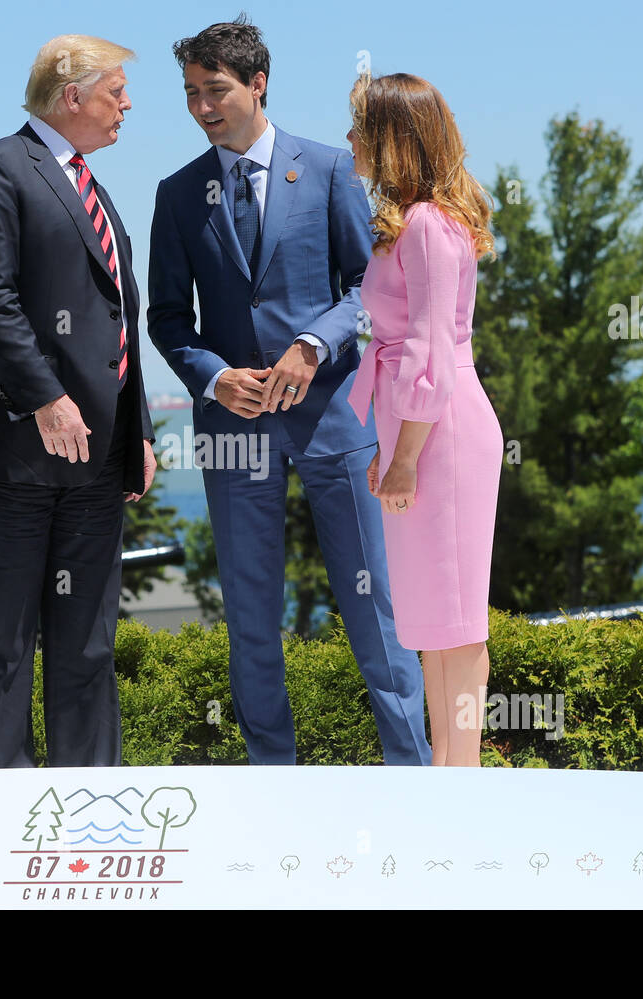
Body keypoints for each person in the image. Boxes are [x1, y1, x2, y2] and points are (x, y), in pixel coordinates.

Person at [148, 16, 431, 766]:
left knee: (373, 605)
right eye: (190, 94)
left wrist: (314, 344)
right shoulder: (176, 196)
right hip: (234, 432)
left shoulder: (334, 169)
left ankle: (415, 772)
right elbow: (168, 318)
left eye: (215, 91)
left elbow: (370, 286)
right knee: (250, 616)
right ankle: (273, 779)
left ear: (258, 83)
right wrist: (212, 374)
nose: (202, 107)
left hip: (335, 420)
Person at [0, 34, 156, 768]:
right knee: (2, 645)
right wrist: (45, 398)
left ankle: (93, 804)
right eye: (116, 90)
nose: (128, 104)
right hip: (8, 457)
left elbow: (117, 315)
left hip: (96, 462)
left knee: (88, 645)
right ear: (72, 95)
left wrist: (138, 430)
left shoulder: (93, 186)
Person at [345, 72, 503, 767]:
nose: (349, 138)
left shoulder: (429, 227)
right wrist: (393, 449)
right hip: (418, 432)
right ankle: (449, 773)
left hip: (443, 436)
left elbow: (431, 349)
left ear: (392, 140)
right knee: (434, 617)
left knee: (459, 620)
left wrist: (403, 455)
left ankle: (459, 773)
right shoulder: (416, 223)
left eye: (360, 127)